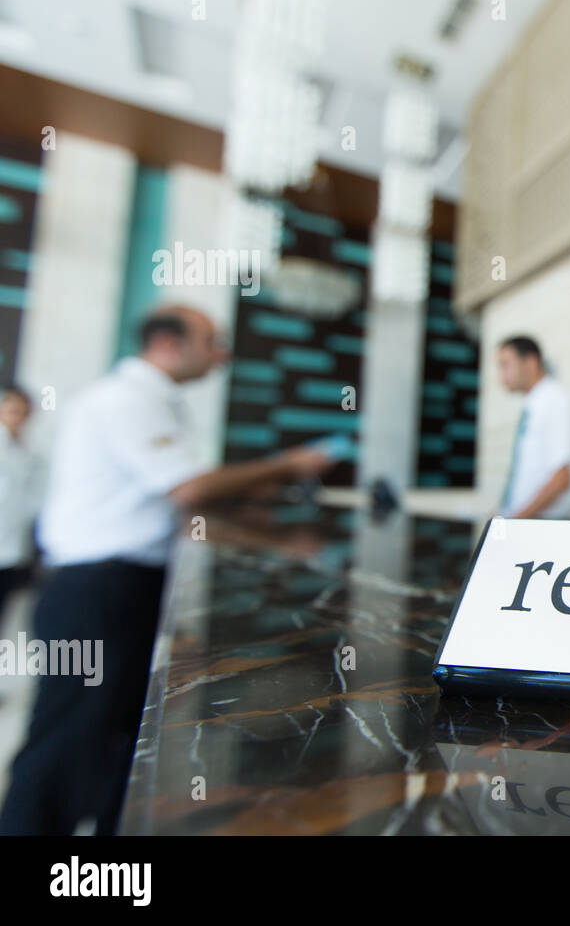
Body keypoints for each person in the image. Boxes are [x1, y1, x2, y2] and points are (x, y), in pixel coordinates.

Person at [0, 304, 336, 835]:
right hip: (93, 591)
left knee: (117, 737)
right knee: (66, 737)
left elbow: (181, 509)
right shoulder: (127, 401)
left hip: (122, 587)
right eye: (212, 341)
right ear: (167, 343)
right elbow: (189, 489)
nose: (222, 354)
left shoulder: (155, 402)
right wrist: (291, 465)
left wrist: (267, 527)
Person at [495, 336, 570, 519]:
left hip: (541, 525)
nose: (501, 376)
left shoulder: (554, 401)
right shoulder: (535, 403)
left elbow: (561, 478)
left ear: (531, 362)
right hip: (526, 523)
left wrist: (516, 521)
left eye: (505, 365)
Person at [0, 385, 39, 615]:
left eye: (23, 412)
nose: (18, 418)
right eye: (12, 411)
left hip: (12, 550)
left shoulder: (31, 453)